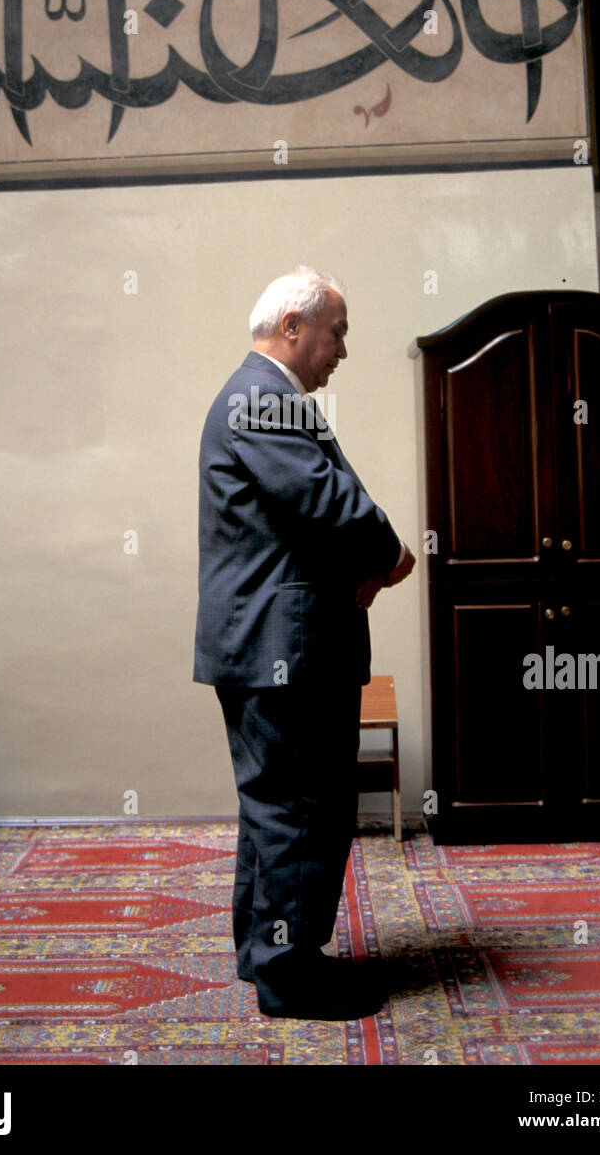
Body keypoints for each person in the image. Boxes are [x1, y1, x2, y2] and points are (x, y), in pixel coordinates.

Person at [193, 266, 415, 1020]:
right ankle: (289, 973)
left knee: (276, 807)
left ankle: (265, 955)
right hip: (281, 651)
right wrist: (389, 555)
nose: (342, 350)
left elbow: (304, 513)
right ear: (293, 326)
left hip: (271, 646)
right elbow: (328, 502)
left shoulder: (265, 398)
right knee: (299, 810)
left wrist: (372, 560)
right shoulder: (262, 399)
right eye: (337, 332)